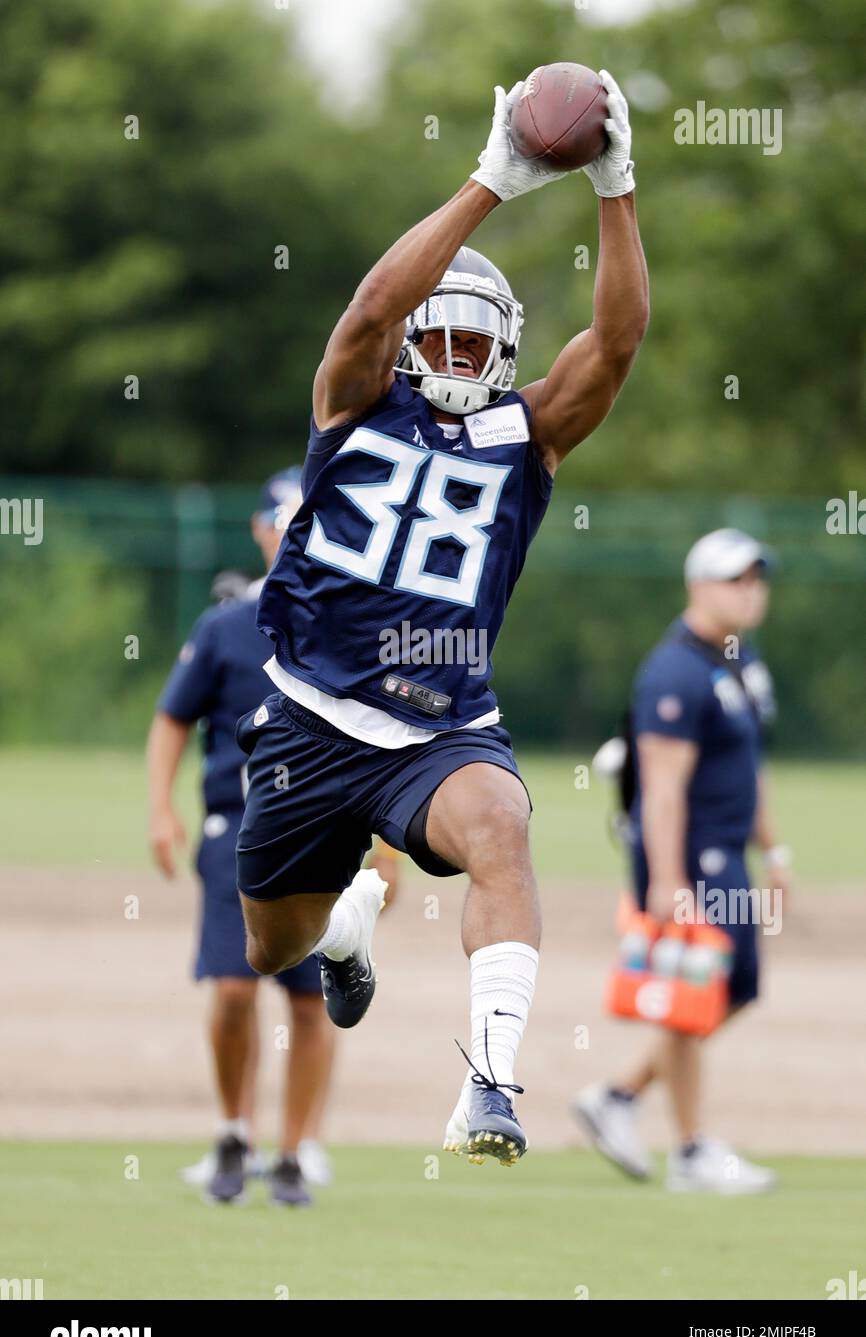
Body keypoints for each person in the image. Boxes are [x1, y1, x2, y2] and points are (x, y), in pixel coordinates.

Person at [234, 72, 649, 1166]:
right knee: (271, 940)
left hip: (440, 724)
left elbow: (612, 347)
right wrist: (491, 182)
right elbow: (371, 308)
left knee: (505, 832)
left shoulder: (530, 436)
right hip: (310, 716)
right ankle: (345, 926)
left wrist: (615, 187)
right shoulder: (353, 401)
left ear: (505, 348)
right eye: (443, 340)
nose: (460, 360)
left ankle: (491, 1085)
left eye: (478, 345)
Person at [147, 471, 402, 1205]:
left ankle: (296, 1149)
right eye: (284, 524)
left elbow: (388, 739)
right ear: (263, 531)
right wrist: (162, 809)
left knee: (308, 1000)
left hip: (332, 832)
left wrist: (387, 849)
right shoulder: (226, 626)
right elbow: (173, 718)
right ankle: (234, 1132)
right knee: (231, 989)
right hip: (236, 829)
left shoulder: (356, 630)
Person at [575, 528, 791, 1194]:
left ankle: (617, 1096)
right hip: (687, 856)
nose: (750, 592)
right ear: (699, 585)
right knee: (697, 997)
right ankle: (692, 1150)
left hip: (725, 850)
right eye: (736, 579)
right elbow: (662, 787)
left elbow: (748, 767)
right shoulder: (675, 669)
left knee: (735, 986)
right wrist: (667, 880)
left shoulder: (739, 662)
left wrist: (772, 846)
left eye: (757, 580)